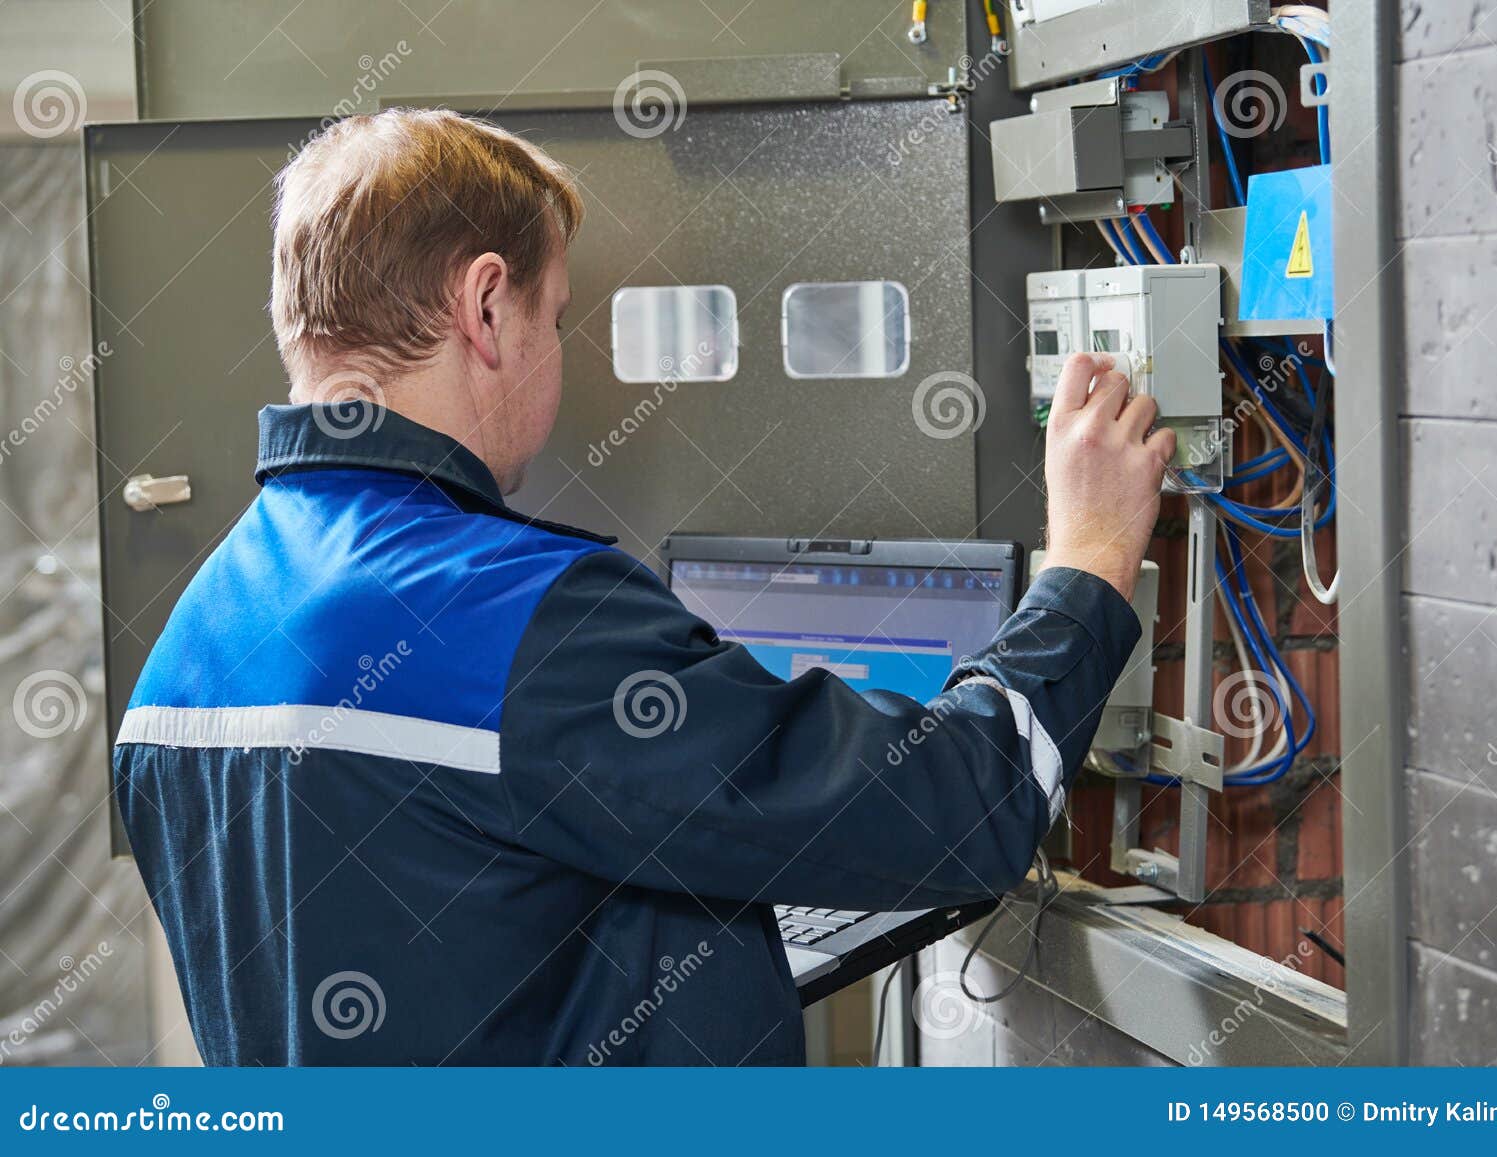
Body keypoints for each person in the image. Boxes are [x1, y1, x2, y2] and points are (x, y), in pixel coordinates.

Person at [114, 108, 1175, 1066]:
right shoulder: (517, 615)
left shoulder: (183, 650)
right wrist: (1087, 553)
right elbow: (958, 806)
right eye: (557, 317)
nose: (556, 352)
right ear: (486, 306)